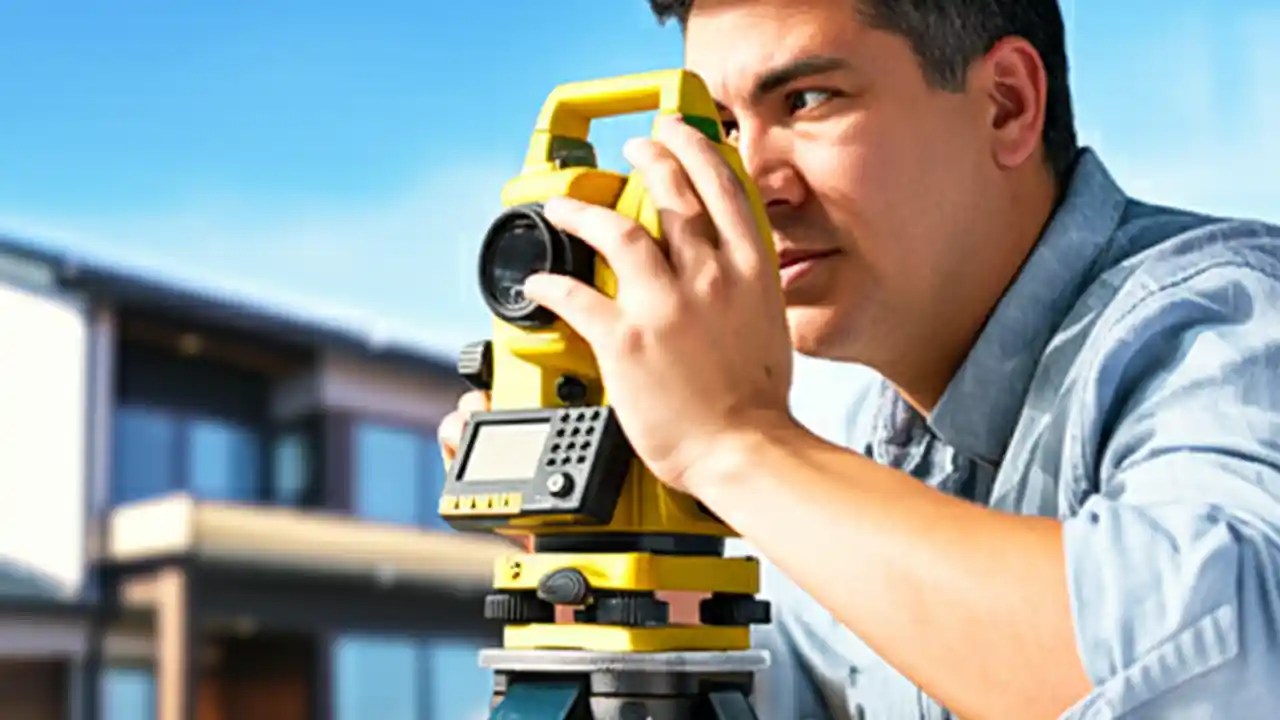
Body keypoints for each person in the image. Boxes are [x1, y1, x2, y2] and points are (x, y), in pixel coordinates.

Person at [439, 0, 1280, 717]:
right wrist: (617, 534)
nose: (750, 180)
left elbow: (1220, 663)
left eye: (806, 100)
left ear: (1007, 106)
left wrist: (735, 444)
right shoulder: (878, 453)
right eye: (721, 129)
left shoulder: (1226, 321)